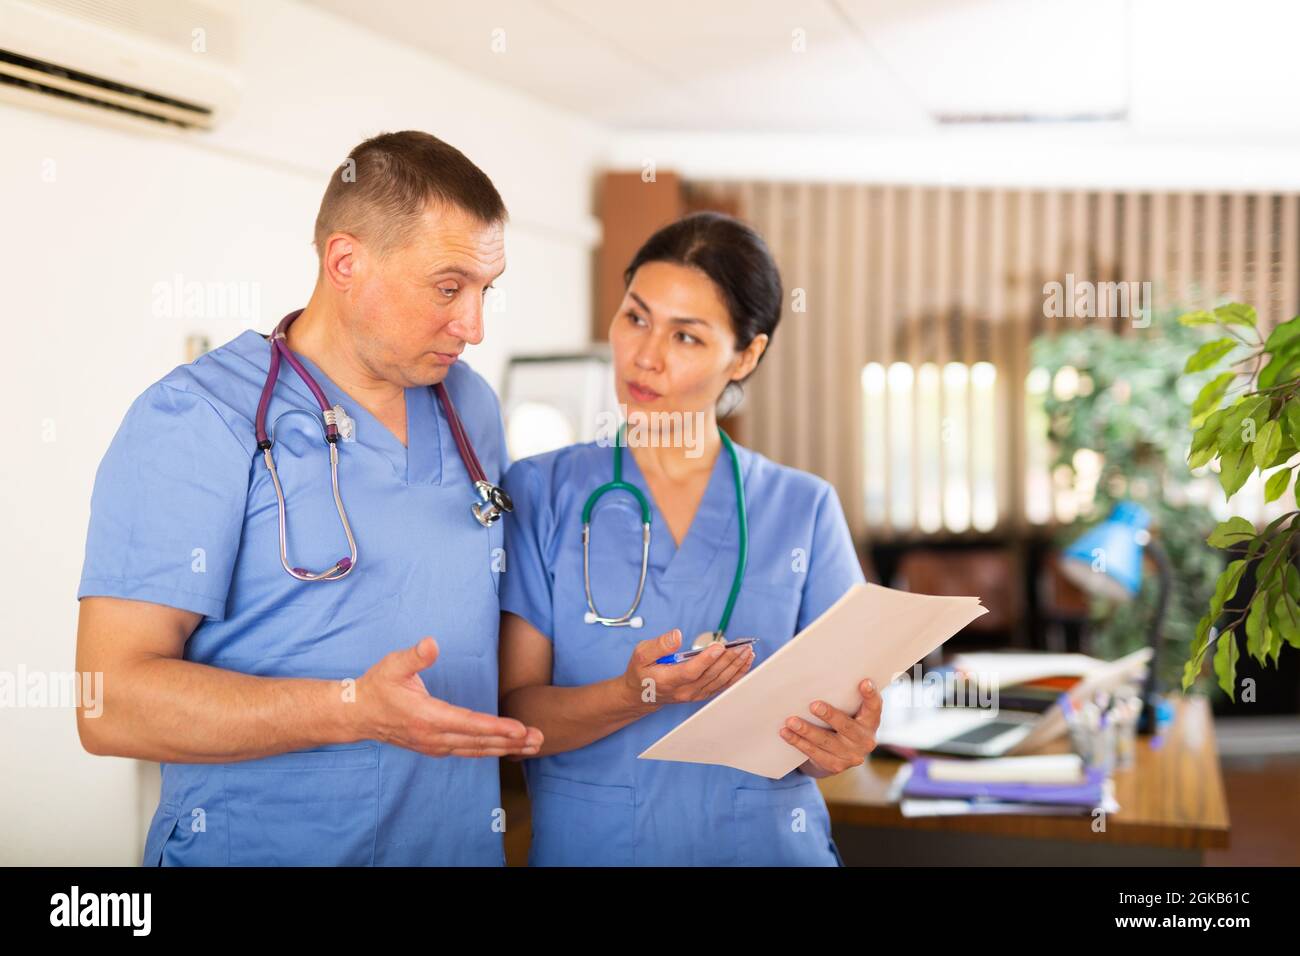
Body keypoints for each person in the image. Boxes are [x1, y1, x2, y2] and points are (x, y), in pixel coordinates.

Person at [75, 130, 542, 866]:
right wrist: (352, 710)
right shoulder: (198, 419)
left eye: (487, 290)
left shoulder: (470, 407)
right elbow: (111, 703)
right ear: (346, 262)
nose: (474, 326)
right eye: (449, 287)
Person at [499, 212, 881, 866]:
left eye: (687, 337)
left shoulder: (803, 509)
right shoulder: (542, 492)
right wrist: (632, 693)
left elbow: (836, 721)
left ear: (747, 355)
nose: (646, 355)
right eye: (636, 317)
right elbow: (515, 722)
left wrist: (845, 746)